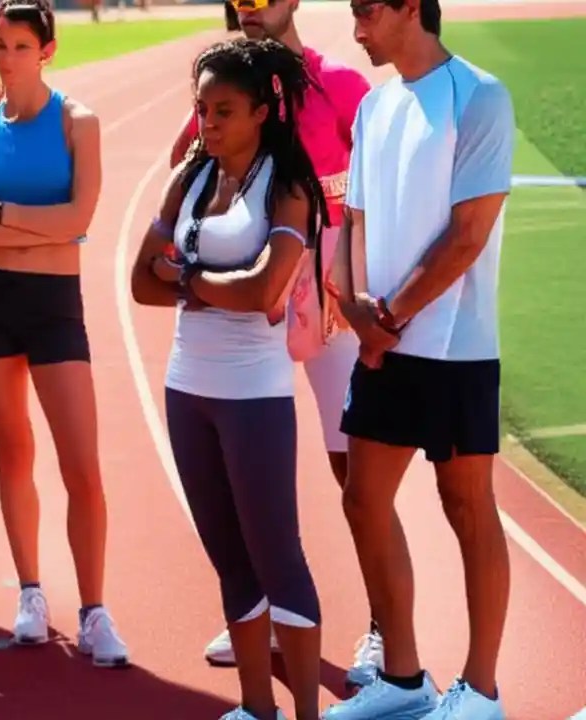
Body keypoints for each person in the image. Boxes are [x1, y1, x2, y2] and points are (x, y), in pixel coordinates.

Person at [167, 0, 379, 685]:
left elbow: (380, 191)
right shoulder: (231, 93)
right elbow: (185, 170)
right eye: (238, 0)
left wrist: (354, 278)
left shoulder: (339, 85)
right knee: (237, 468)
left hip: (328, 294)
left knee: (355, 469)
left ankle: (382, 627)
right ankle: (254, 614)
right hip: (246, 308)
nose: (248, 7)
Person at [322, 0, 513, 717]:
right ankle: (402, 681)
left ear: (410, 7)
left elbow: (468, 234)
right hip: (384, 342)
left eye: (367, 10)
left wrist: (387, 317)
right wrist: (350, 299)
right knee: (362, 498)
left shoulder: (481, 95)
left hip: (454, 346)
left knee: (467, 505)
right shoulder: (375, 108)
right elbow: (357, 221)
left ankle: (482, 691)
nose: (357, 27)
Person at [131, 36, 330, 720]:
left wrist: (184, 276)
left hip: (255, 395)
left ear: (259, 114)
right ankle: (255, 707)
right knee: (229, 559)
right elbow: (137, 282)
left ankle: (305, 712)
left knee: (278, 556)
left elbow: (264, 291)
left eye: (222, 111)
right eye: (201, 110)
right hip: (188, 388)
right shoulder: (188, 177)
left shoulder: (288, 185)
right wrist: (210, 284)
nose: (207, 124)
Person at [0, 0, 127, 667]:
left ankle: (94, 609)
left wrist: (2, 211)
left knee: (80, 461)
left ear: (46, 51)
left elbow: (78, 219)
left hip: (55, 301)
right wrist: (36, 221)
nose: (5, 56)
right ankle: (30, 592)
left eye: (19, 45)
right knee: (12, 450)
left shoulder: (80, 122)